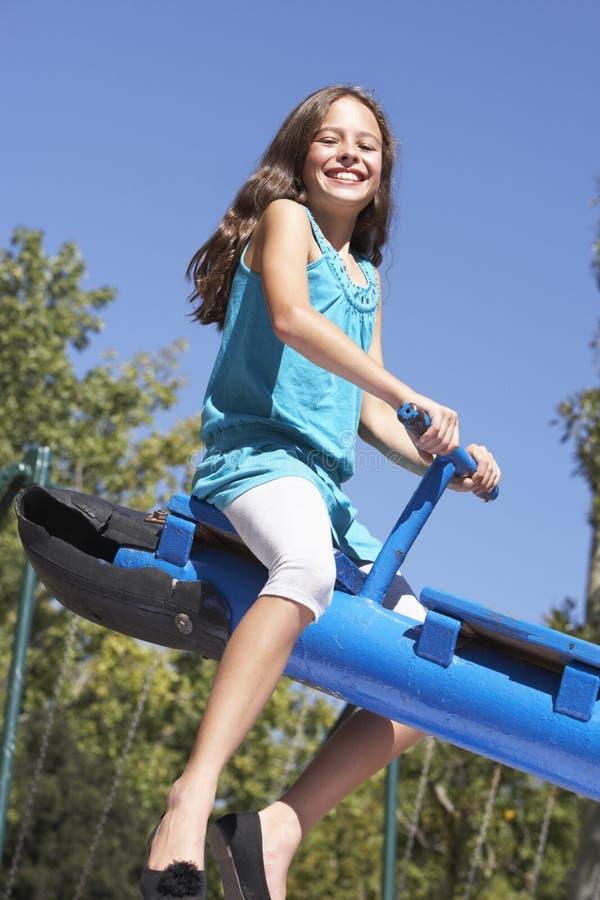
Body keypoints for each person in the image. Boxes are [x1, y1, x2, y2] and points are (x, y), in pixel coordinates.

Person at [139, 85, 501, 900]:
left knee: (431, 673)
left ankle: (275, 830)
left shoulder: (367, 278)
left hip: (325, 493)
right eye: (330, 139)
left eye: (366, 144)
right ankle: (191, 793)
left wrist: (448, 455)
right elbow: (295, 319)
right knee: (300, 567)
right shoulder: (285, 223)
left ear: (383, 176)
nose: (349, 152)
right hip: (259, 461)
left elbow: (370, 413)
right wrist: (412, 395)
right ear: (301, 156)